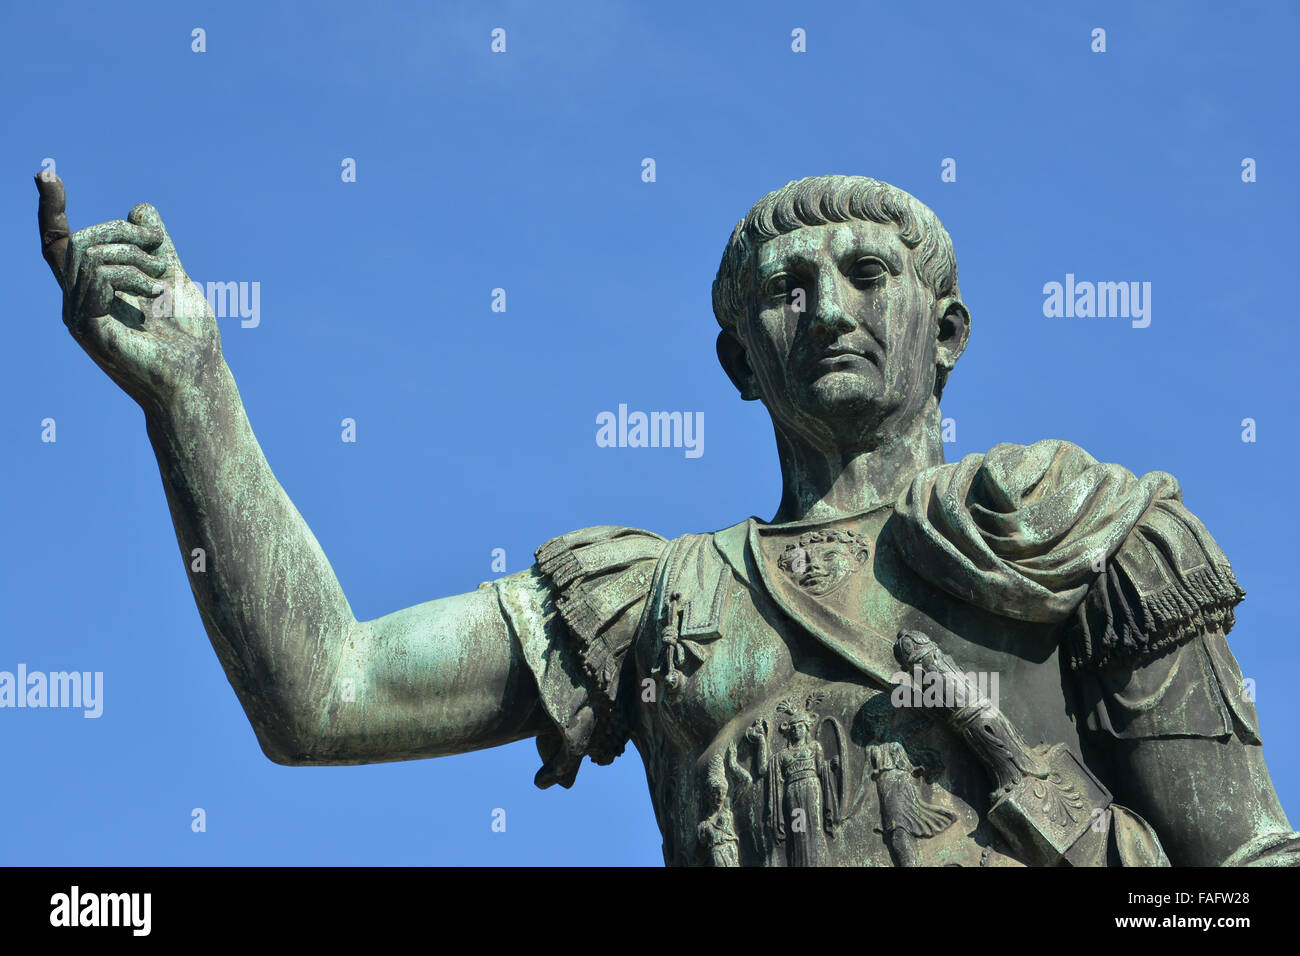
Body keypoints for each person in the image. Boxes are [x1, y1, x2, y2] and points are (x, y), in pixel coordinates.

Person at [35, 171, 1299, 866]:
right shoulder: (652, 600)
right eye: (786, 290)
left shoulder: (1084, 533)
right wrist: (194, 395)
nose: (829, 307)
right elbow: (326, 692)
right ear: (738, 359)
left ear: (947, 332)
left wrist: (1034, 791)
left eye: (869, 274)